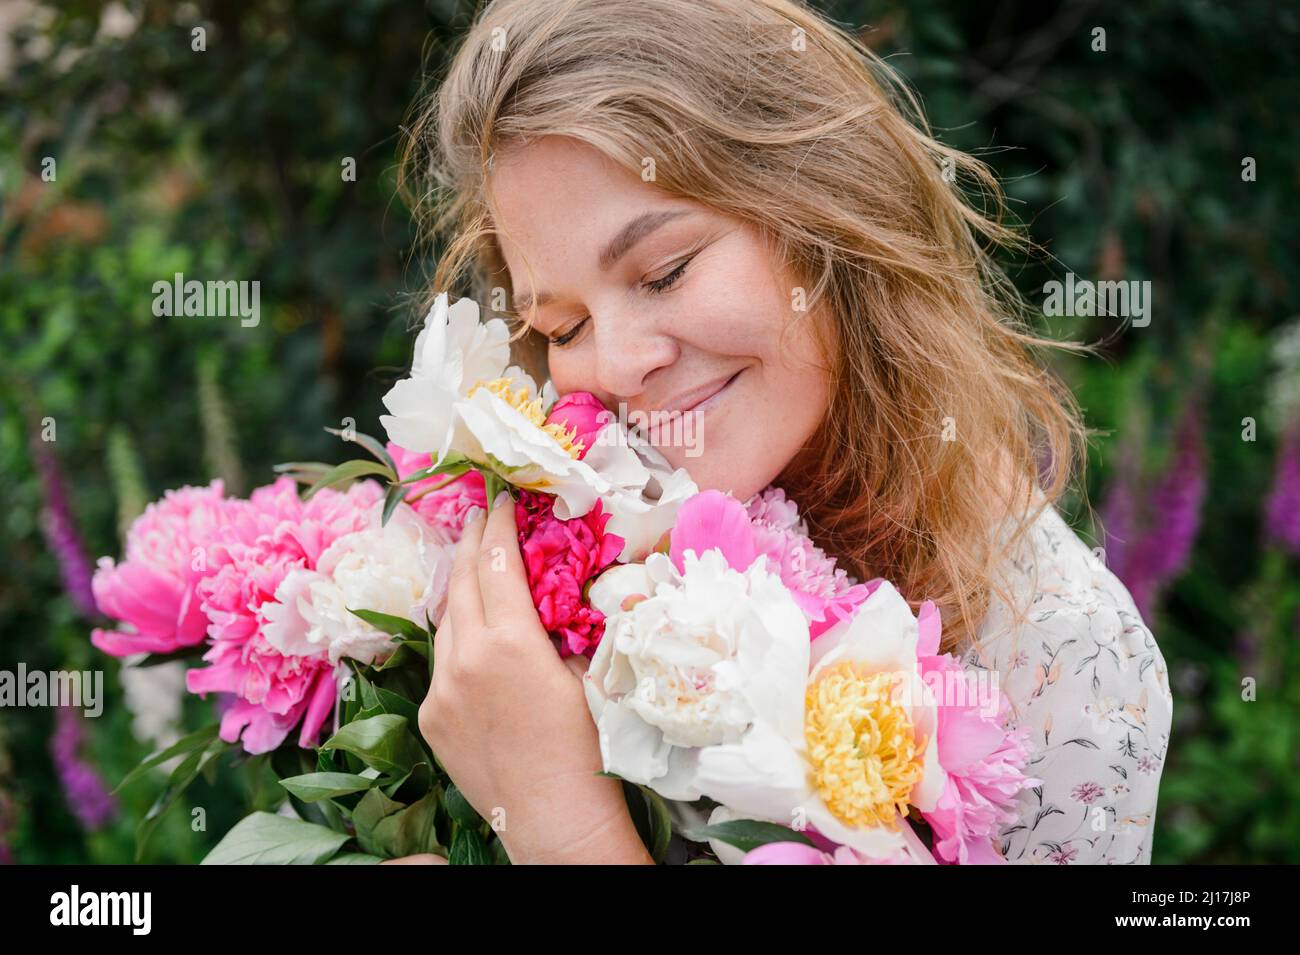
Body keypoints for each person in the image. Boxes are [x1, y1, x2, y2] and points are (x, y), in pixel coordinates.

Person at [386, 0, 1172, 864]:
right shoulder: (556, 543)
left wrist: (560, 823)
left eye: (665, 271)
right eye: (564, 327)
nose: (614, 367)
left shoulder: (1065, 664)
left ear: (823, 207)